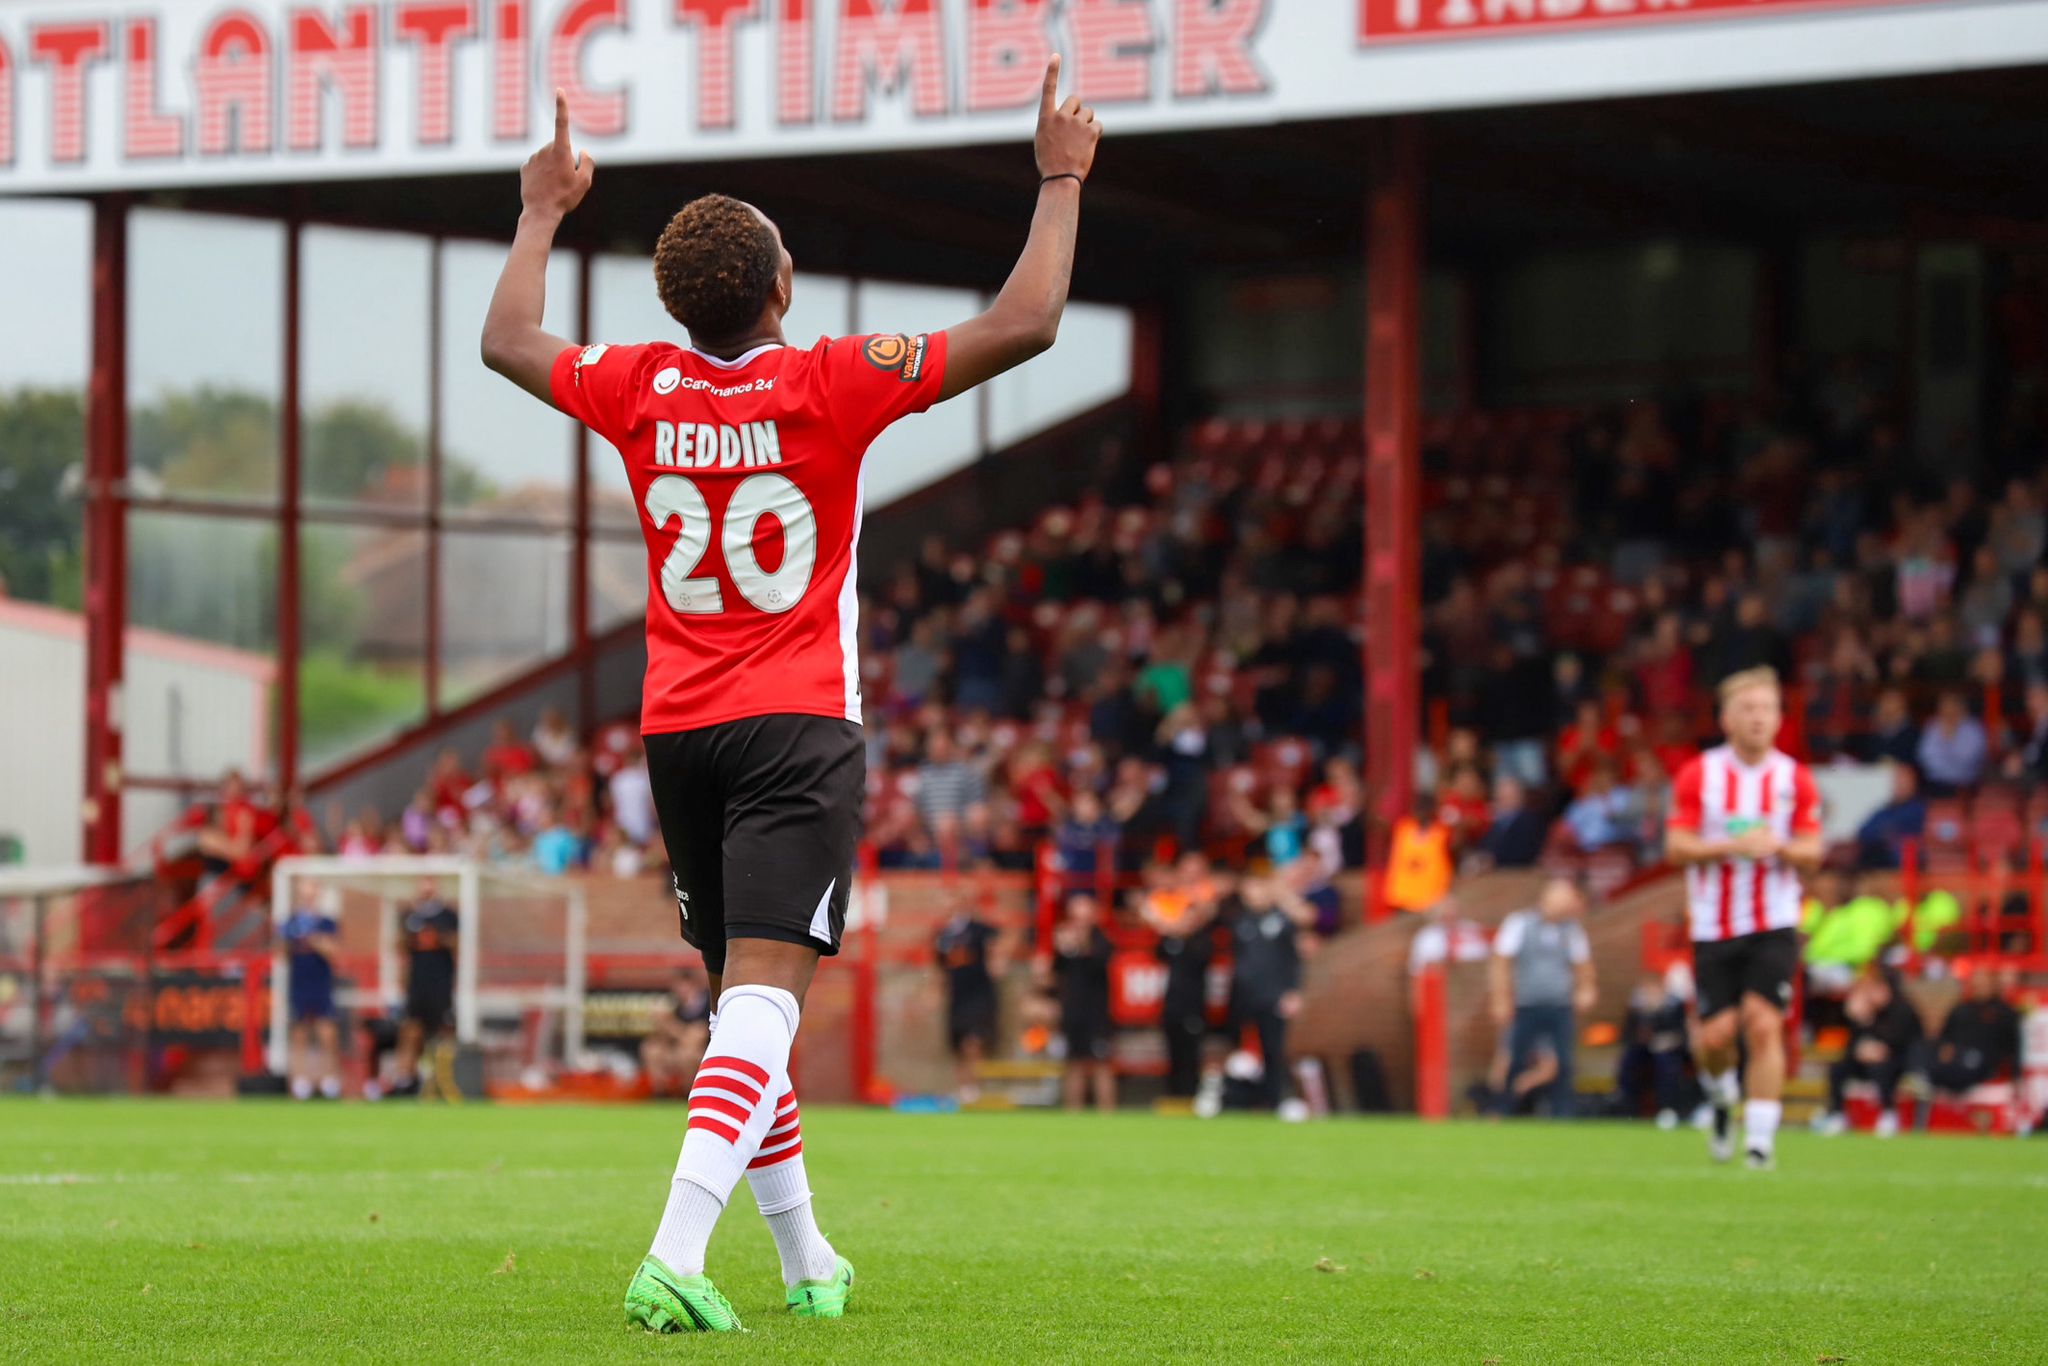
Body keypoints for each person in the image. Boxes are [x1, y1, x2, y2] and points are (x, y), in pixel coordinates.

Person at [481, 62, 1100, 1333]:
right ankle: (674, 1251)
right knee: (764, 997)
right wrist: (1059, 174)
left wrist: (542, 210)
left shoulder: (637, 386)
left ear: (676, 303)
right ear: (779, 287)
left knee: (742, 1010)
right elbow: (1028, 320)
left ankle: (809, 1258)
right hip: (796, 721)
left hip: (676, 732)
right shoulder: (830, 380)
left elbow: (504, 340)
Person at [1665, 667, 1823, 1169]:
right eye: (1748, 709)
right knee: (1714, 1038)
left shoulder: (1793, 778)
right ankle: (1719, 1097)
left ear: (1779, 719)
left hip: (1774, 920)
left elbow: (1813, 849)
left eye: (1767, 709)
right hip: (1714, 924)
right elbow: (1675, 845)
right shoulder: (1700, 774)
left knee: (1762, 1024)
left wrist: (1781, 847)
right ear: (1727, 718)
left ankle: (1759, 1143)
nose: (1758, 718)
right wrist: (1735, 845)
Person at [1487, 879, 1596, 1119]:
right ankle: (1501, 1111)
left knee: (1564, 1062)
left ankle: (1563, 1115)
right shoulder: (1519, 923)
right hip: (1525, 1005)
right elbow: (1501, 961)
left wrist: (1586, 989)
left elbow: (1583, 965)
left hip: (1559, 1006)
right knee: (1513, 1058)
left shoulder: (1572, 930)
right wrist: (1501, 998)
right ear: (1547, 898)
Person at [1224, 873, 1316, 1114]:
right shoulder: (1241, 920)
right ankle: (1243, 1100)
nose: (1253, 894)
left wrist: (1294, 991)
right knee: (1237, 1050)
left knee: (1275, 1049)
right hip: (1244, 996)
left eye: (1258, 887)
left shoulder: (1282, 919)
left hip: (1275, 996)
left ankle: (1280, 1099)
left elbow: (1306, 919)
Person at [1139, 853, 1223, 1099]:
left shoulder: (1201, 941)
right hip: (1172, 1002)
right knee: (1173, 1050)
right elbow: (1159, 951)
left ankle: (1191, 1095)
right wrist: (1171, 928)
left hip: (1193, 1002)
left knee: (1192, 1052)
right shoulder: (1171, 938)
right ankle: (1173, 1093)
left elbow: (1200, 957)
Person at [1815, 968, 1922, 1138]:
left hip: (1897, 1063)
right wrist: (1861, 1025)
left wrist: (1880, 1048)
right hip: (1866, 1061)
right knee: (1839, 1068)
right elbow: (1852, 1045)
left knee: (1881, 1069)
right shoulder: (1867, 1012)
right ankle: (1838, 1114)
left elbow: (1902, 1041)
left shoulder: (1903, 1009)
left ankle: (1889, 1114)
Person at [1920, 965, 2022, 1123]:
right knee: (1932, 1065)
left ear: (1993, 984)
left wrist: (2016, 1076)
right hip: (1957, 1058)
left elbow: (2013, 1047)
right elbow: (1944, 1037)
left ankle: (1945, 1092)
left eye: (1984, 982)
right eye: (1977, 982)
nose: (1980, 986)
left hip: (1985, 1062)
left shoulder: (2005, 1012)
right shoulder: (1961, 1009)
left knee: (1969, 1063)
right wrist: (1944, 1048)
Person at [391, 878, 460, 1098]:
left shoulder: (448, 915)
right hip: (417, 984)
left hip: (440, 983)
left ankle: (444, 1080)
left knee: (444, 1031)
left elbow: (458, 943)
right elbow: (398, 946)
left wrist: (435, 938)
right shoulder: (409, 915)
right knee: (411, 1030)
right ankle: (405, 1079)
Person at [1050, 893, 1116, 1113]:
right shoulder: (1066, 944)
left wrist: (1079, 940)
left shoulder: (1101, 940)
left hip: (1096, 1012)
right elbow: (1056, 974)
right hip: (1073, 1011)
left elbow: (1098, 961)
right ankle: (1073, 1114)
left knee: (1101, 1064)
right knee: (1073, 1064)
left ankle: (1107, 1114)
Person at [934, 905, 1003, 1104]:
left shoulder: (977, 929)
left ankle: (974, 1087)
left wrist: (997, 958)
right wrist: (936, 992)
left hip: (978, 993)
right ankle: (963, 1088)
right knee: (957, 1045)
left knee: (973, 1042)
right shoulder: (943, 935)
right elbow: (940, 966)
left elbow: (1002, 937)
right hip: (957, 996)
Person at [281, 882, 343, 1101]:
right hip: (299, 981)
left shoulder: (325, 923)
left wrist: (314, 939)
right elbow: (281, 951)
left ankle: (329, 1081)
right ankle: (300, 1081)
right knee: (299, 1033)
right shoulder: (290, 922)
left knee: (327, 1032)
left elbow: (333, 950)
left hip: (321, 982)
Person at [642, 970, 713, 1099]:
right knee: (652, 1049)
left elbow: (695, 1039)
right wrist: (661, 1024)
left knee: (686, 1054)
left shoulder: (707, 1005)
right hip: (677, 1050)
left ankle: (687, 1094)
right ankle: (660, 1094)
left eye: (683, 986)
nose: (680, 991)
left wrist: (669, 1023)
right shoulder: (676, 1006)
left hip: (702, 1054)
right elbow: (664, 1039)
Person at [1384, 791, 1455, 915]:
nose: (1421, 812)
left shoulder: (1443, 832)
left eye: (1425, 807)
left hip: (1432, 899)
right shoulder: (1403, 829)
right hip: (1403, 897)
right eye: (1418, 807)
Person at [1854, 762, 1927, 871]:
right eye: (1897, 781)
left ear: (1914, 783)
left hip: (1903, 862)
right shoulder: (1886, 809)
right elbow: (1863, 832)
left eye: (1904, 780)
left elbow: (1900, 827)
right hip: (1878, 859)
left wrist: (1884, 832)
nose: (1900, 785)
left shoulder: (1919, 808)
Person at [1916, 690, 1988, 795]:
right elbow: (1926, 757)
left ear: (1961, 707)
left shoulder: (1974, 728)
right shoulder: (1933, 726)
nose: (1947, 710)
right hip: (1935, 784)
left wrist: (1950, 737)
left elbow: (1967, 760)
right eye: (1943, 706)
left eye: (1951, 705)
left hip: (1966, 785)